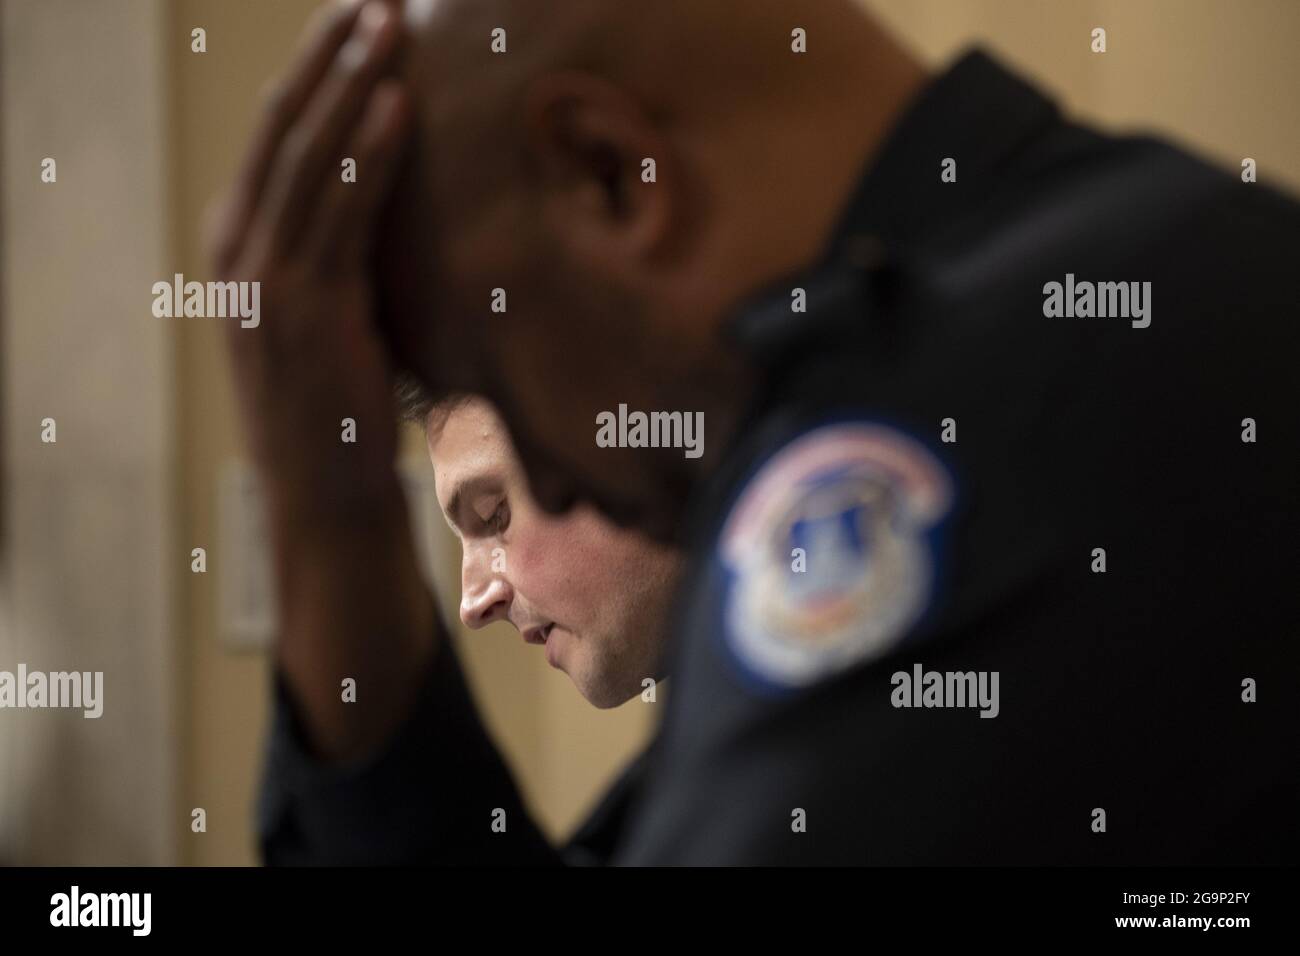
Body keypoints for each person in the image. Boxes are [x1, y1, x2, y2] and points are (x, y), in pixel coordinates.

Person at [212, 0, 1299, 864]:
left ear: (610, 173)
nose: (552, 468)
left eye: (488, 365)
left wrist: (326, 521)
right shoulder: (1140, 256)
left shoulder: (943, 416)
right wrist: (330, 513)